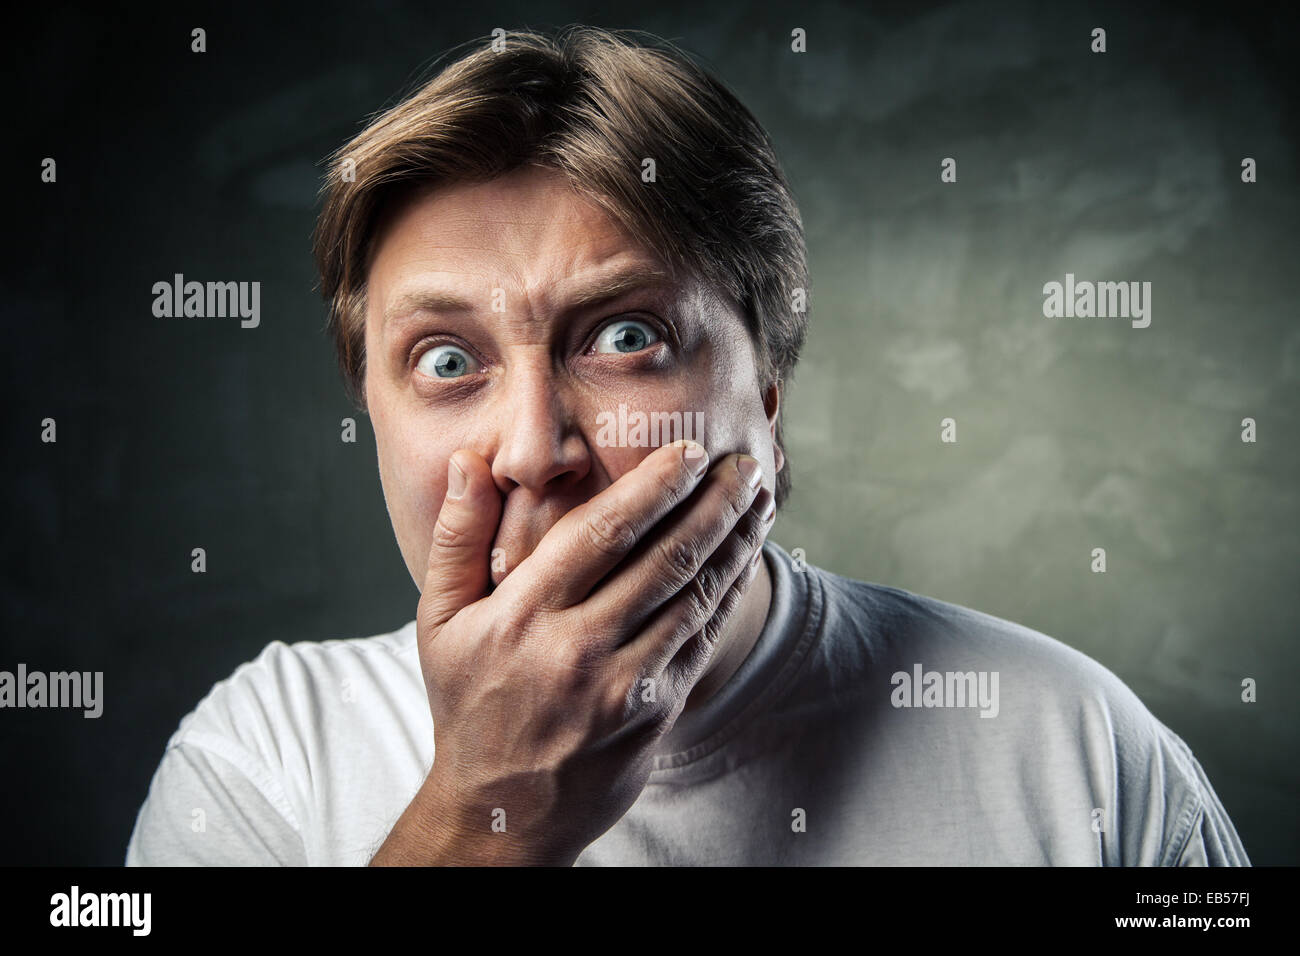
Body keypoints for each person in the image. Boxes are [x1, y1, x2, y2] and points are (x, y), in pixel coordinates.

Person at [126, 25, 1249, 866]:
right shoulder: (264, 759)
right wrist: (481, 815)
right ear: (371, 413)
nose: (531, 448)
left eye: (625, 337)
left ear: (765, 396)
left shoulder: (1078, 750)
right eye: (447, 361)